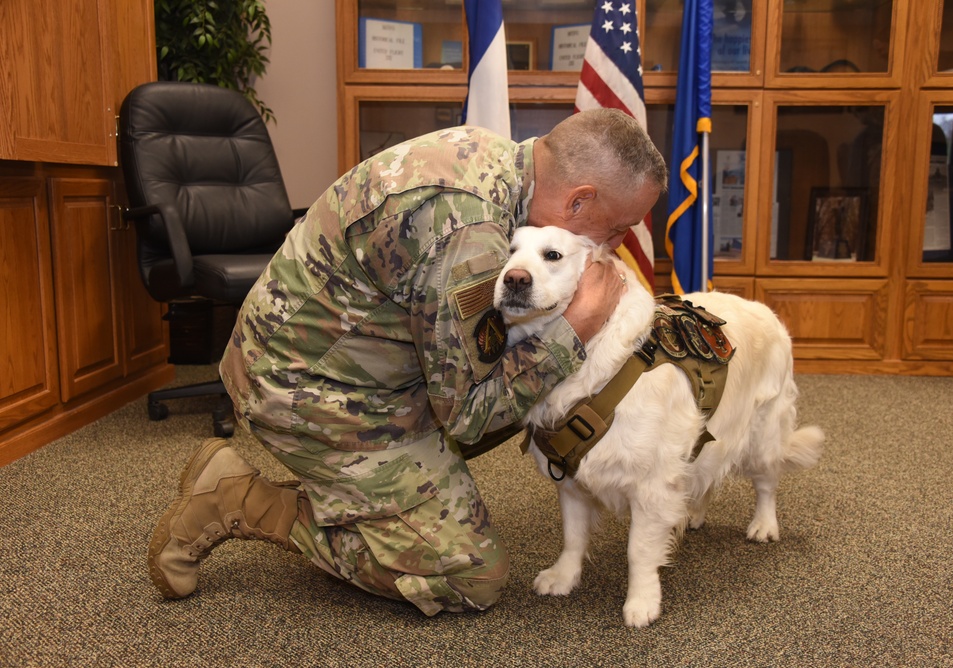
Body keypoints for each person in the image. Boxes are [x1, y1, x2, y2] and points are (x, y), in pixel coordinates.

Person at [147, 108, 668, 616]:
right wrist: (575, 331)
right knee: (468, 576)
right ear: (578, 202)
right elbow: (471, 413)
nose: (615, 246)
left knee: (525, 381)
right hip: (302, 386)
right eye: (619, 227)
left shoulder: (497, 162)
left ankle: (373, 499)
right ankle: (240, 499)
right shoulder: (467, 231)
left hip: (369, 363)